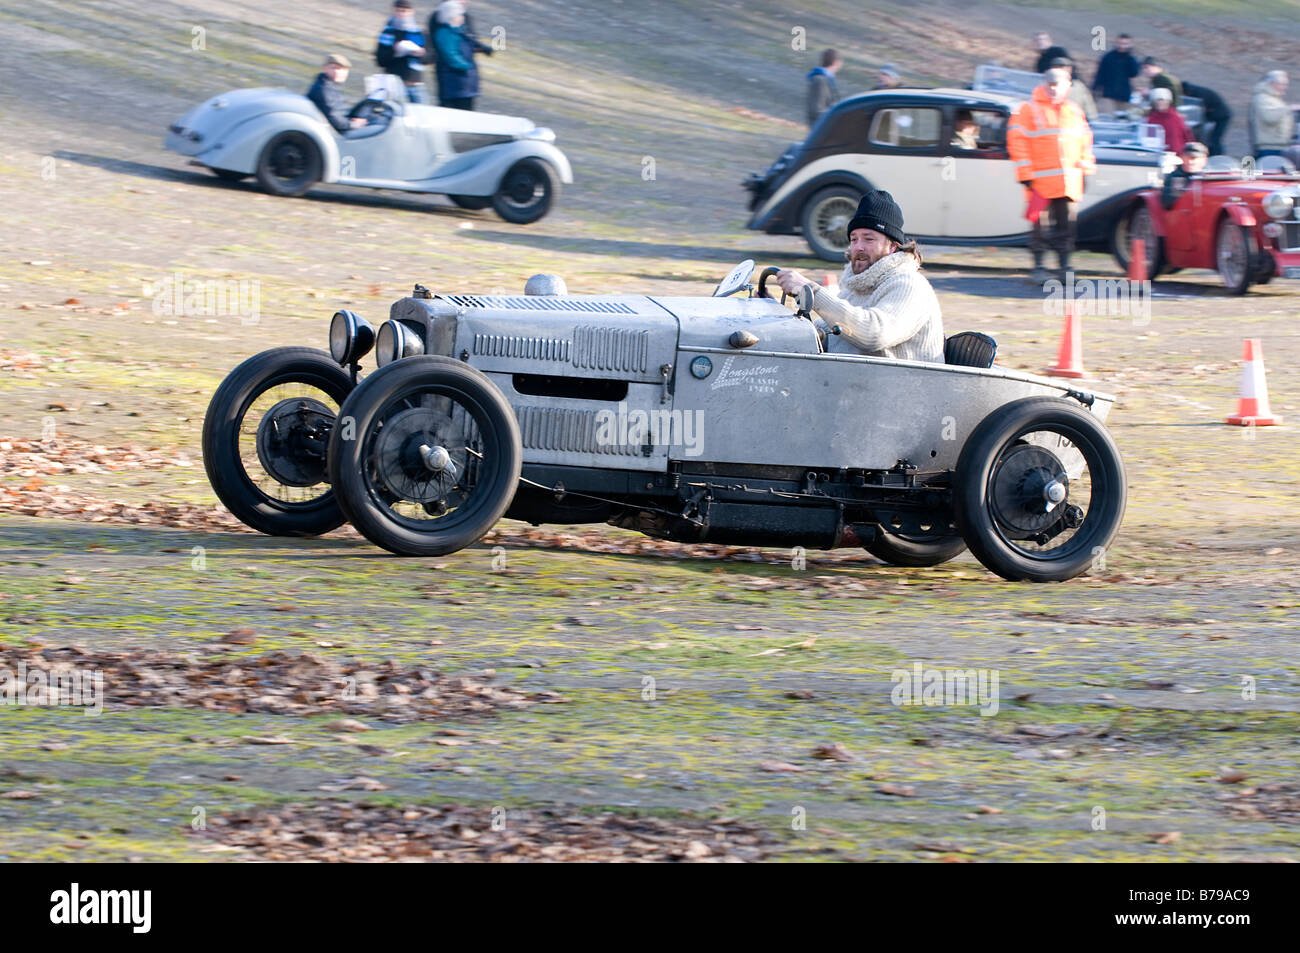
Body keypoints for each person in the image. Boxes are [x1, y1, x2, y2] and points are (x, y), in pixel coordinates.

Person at [773, 191, 944, 364]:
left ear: (892, 246)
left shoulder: (909, 285)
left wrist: (812, 291)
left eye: (868, 239)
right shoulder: (857, 286)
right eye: (854, 239)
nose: (859, 247)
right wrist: (774, 313)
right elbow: (825, 333)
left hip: (906, 388)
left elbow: (872, 334)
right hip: (858, 384)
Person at [1007, 67, 1096, 283]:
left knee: (1066, 229)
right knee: (1040, 227)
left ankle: (1065, 267)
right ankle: (1039, 267)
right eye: (1050, 84)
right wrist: (1026, 174)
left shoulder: (1074, 111)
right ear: (1044, 84)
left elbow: (1085, 142)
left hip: (1068, 183)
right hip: (1038, 183)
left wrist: (1085, 168)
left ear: (1068, 86)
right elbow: (1017, 142)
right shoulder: (1028, 109)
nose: (1054, 89)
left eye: (1058, 84)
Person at [376, 0, 428, 104]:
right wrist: (394, 51)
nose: (401, 14)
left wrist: (421, 53)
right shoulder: (388, 32)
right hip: (396, 82)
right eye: (398, 11)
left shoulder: (419, 33)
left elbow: (430, 57)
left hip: (416, 83)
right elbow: (380, 60)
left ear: (411, 12)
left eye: (404, 11)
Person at [432, 1, 481, 109]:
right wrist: (466, 66)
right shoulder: (444, 32)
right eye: (459, 15)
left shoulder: (461, 29)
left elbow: (472, 41)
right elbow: (450, 54)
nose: (462, 18)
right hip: (454, 84)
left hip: (465, 83)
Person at [306, 53, 368, 133]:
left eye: (343, 69)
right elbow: (334, 119)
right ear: (325, 69)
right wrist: (353, 124)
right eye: (334, 68)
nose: (338, 72)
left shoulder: (330, 86)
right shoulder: (324, 89)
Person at [1250, 70, 1295, 159]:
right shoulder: (1262, 98)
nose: (1285, 87)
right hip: (1269, 148)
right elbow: (1269, 118)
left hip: (1277, 146)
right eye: (1282, 84)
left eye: (1286, 84)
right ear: (1272, 84)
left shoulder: (1273, 99)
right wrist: (1289, 108)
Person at [1091, 33, 1139, 114]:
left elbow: (1134, 73)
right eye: (1121, 43)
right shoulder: (1108, 57)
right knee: (1107, 119)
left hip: (1124, 96)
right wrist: (1095, 89)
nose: (1122, 46)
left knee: (1124, 120)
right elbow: (1100, 74)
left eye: (1125, 44)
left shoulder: (1130, 59)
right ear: (1116, 43)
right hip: (1108, 95)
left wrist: (1129, 56)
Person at [1181, 81, 1231, 156]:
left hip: (1222, 116)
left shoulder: (1197, 94)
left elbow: (1201, 110)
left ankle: (1217, 155)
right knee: (1212, 138)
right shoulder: (1196, 91)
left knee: (1215, 138)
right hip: (1218, 114)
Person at [1147, 87, 1194, 154]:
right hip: (1156, 153)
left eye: (1162, 100)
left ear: (1168, 101)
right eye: (1157, 100)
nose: (1160, 103)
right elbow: (1150, 139)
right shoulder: (1151, 119)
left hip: (1175, 154)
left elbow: (1185, 138)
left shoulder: (1175, 118)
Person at [1161, 141, 1208, 210]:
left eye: (1193, 158)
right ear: (1182, 158)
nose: (1190, 162)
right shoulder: (1176, 177)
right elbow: (1168, 203)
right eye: (1187, 158)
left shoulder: (1210, 177)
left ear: (1204, 160)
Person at [1050, 56, 1097, 122]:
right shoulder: (1046, 87)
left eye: (1065, 68)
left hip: (1075, 123)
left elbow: (1088, 106)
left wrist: (1092, 119)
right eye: (1058, 67)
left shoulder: (1079, 86)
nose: (1061, 70)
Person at [807, 49, 842, 125]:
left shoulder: (826, 79)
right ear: (836, 62)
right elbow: (816, 110)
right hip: (820, 128)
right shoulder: (821, 80)